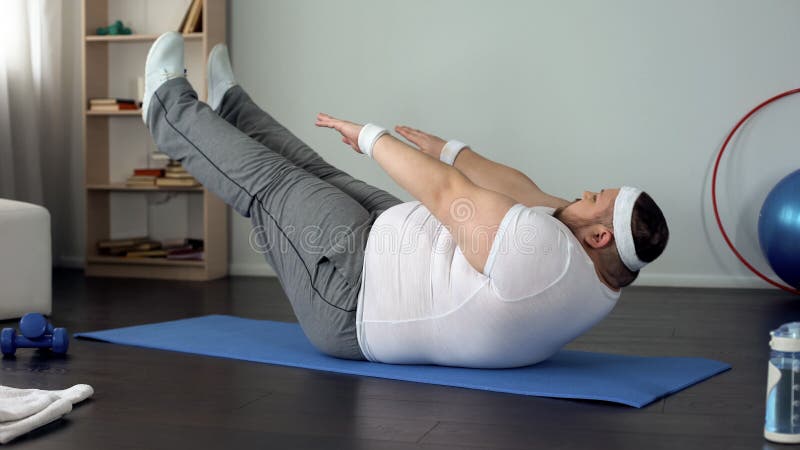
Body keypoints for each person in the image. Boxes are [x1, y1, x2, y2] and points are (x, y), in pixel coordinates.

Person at [142, 32, 669, 369]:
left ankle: (166, 107)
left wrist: (369, 136)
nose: (581, 193)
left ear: (599, 233)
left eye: (594, 196)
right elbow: (527, 193)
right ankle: (234, 107)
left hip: (354, 299)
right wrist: (452, 149)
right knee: (314, 172)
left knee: (276, 185)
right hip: (389, 242)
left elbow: (447, 193)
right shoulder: (600, 266)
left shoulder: (544, 257)